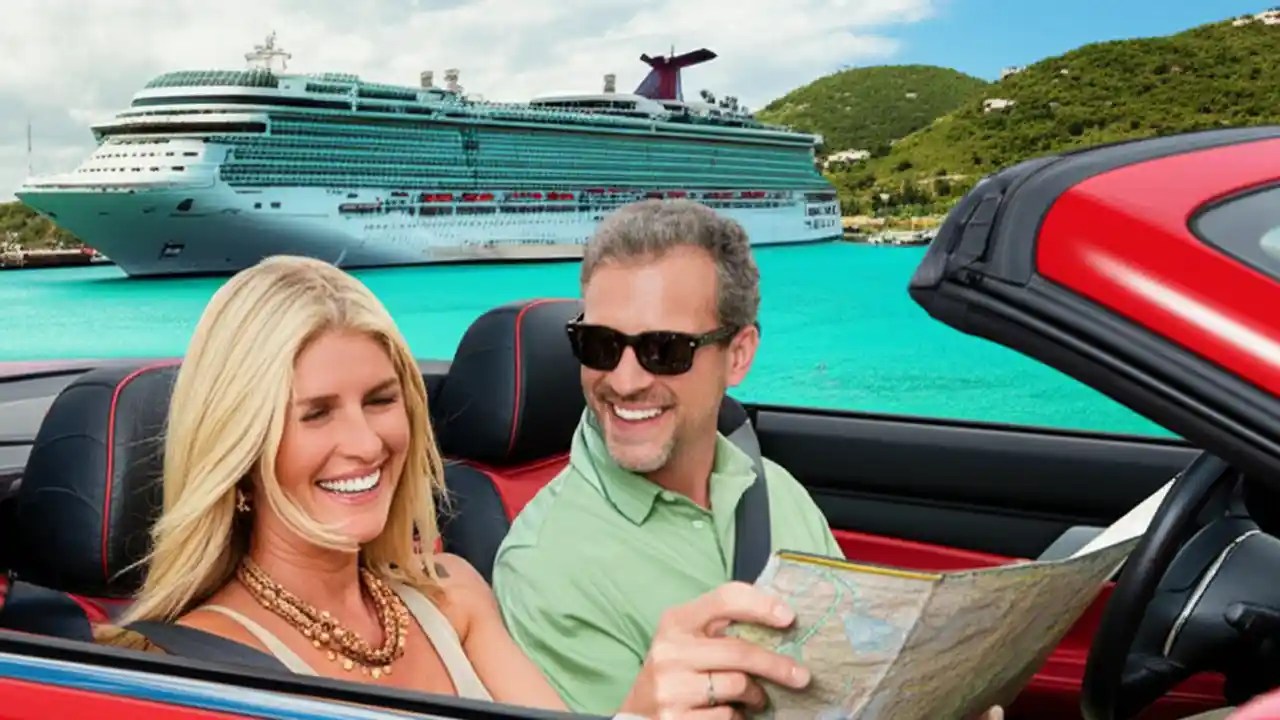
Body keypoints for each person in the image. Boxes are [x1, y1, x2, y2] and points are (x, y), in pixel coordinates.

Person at [492, 199, 1005, 720]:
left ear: (738, 355)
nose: (624, 381)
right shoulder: (545, 571)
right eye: (599, 344)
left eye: (664, 350)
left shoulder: (776, 488)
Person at [96, 255, 564, 709]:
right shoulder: (194, 669)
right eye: (316, 414)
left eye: (380, 401)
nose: (365, 444)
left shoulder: (453, 593)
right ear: (239, 453)